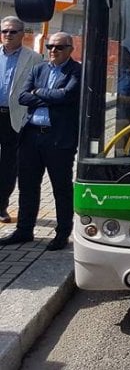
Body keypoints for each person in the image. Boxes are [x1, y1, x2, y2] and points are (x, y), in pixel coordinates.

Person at [0, 32, 81, 251]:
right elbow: (22, 97)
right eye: (50, 46)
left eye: (59, 47)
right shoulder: (39, 69)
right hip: (31, 136)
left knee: (60, 189)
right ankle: (24, 230)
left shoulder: (77, 70)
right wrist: (50, 95)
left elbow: (67, 96)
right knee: (27, 186)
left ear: (70, 49)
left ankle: (62, 233)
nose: (53, 51)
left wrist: (40, 93)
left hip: (58, 139)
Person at [0, 17, 41, 224]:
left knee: (8, 164)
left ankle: (1, 205)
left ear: (23, 34)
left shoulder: (33, 58)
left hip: (14, 117)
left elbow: (39, 87)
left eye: (13, 32)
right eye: (5, 31)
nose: (8, 35)